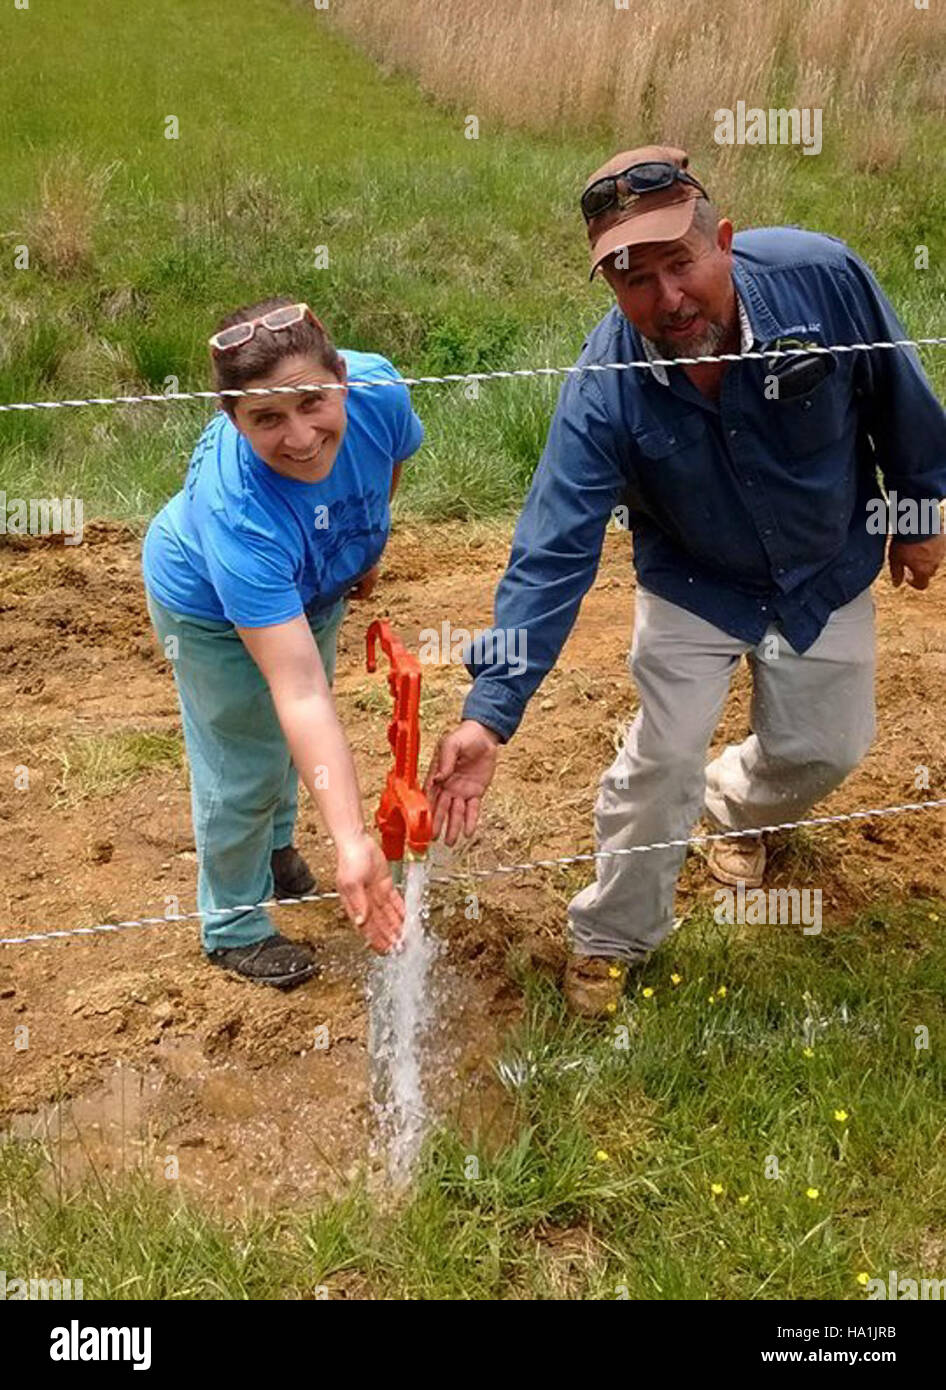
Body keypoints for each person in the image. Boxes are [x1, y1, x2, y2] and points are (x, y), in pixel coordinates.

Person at [426, 145, 946, 1018]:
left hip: (824, 566)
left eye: (681, 263)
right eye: (635, 279)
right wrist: (489, 711)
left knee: (829, 748)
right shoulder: (604, 392)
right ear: (608, 287)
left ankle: (734, 811)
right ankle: (612, 936)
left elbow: (902, 394)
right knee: (662, 761)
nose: (667, 298)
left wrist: (922, 512)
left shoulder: (823, 279)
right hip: (694, 582)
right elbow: (553, 550)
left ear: (725, 241)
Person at [142, 297, 423, 987]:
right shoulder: (238, 510)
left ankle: (273, 849)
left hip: (315, 578)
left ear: (341, 380)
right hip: (210, 607)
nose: (299, 438)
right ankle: (233, 925)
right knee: (243, 756)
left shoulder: (378, 388)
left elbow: (388, 459)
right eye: (267, 419)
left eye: (311, 403)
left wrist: (366, 547)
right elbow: (298, 694)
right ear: (232, 419)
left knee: (292, 736)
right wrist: (352, 841)